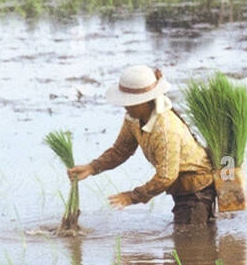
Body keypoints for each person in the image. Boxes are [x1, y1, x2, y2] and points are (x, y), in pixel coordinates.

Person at [68, 64, 217, 227]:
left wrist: (133, 197)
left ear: (146, 101)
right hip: (180, 188)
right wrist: (92, 167)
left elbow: (166, 176)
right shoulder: (133, 117)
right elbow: (120, 150)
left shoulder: (166, 130)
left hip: (197, 189)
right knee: (189, 238)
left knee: (190, 243)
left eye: (130, 102)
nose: (125, 106)